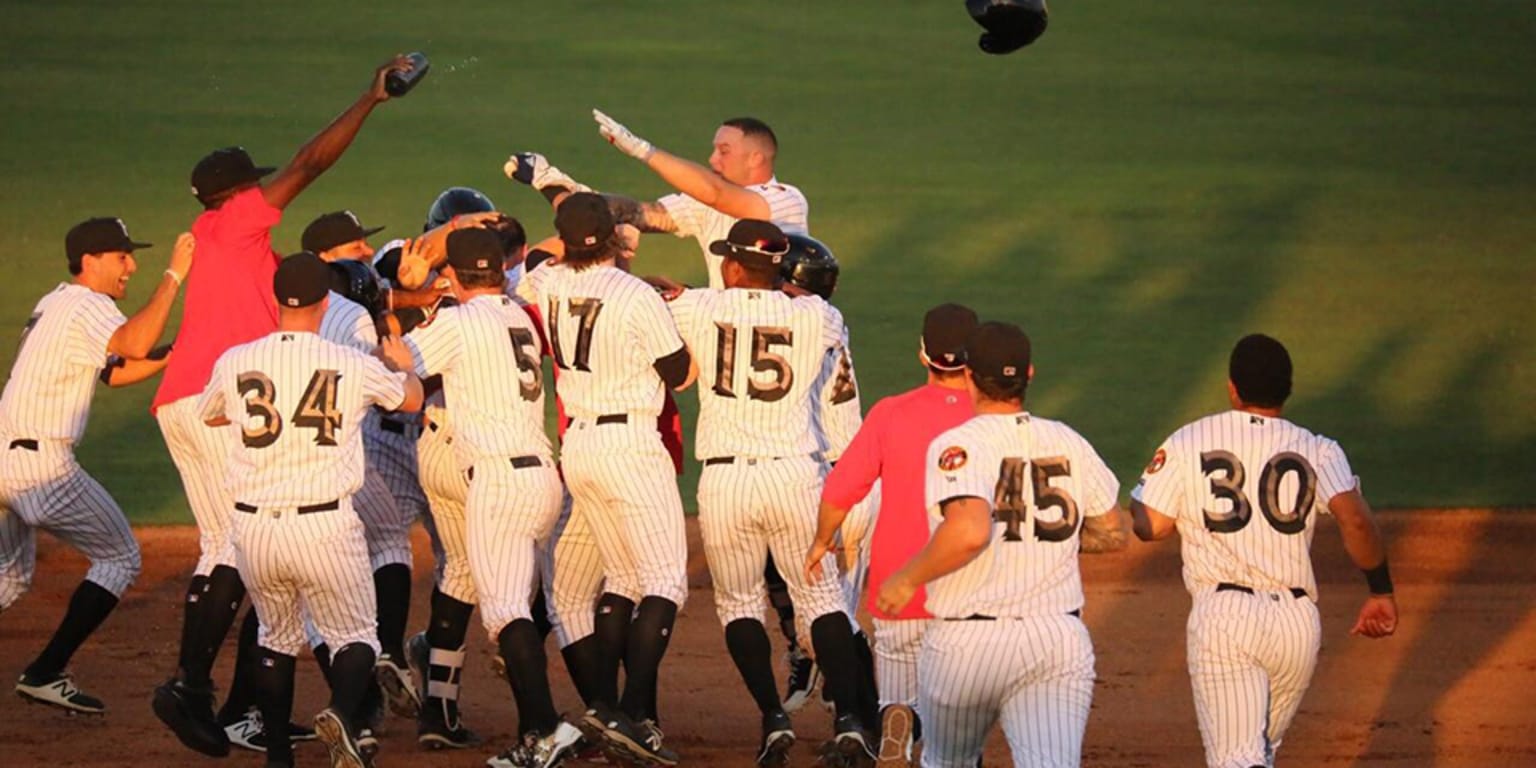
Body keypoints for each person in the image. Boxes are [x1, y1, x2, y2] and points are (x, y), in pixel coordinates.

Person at [150, 54, 418, 758]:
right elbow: (309, 163)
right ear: (240, 194)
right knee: (227, 546)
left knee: (243, 549)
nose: (273, 192)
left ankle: (230, 703)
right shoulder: (240, 222)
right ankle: (188, 685)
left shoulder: (214, 238)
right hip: (209, 397)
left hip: (197, 395)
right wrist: (370, 99)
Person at [1129, 333, 1399, 768]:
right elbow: (1356, 520)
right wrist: (1381, 591)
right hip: (1296, 626)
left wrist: (1137, 501)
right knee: (1259, 753)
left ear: (1232, 387)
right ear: (1288, 389)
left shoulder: (1189, 439)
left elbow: (1153, 526)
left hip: (1226, 621)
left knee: (1238, 758)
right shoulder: (1320, 449)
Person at [198, 252, 423, 768]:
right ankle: (343, 713)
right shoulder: (350, 363)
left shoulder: (236, 360)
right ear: (326, 303)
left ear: (277, 302)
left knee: (275, 640)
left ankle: (278, 756)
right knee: (358, 638)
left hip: (253, 527)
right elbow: (409, 401)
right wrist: (402, 368)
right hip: (324, 525)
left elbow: (211, 415)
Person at [666, 220, 878, 766]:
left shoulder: (698, 307)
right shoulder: (819, 316)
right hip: (796, 476)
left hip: (726, 481)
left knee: (739, 604)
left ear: (735, 266)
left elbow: (654, 306)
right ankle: (853, 720)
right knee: (824, 601)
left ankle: (772, 717)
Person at [874, 322, 1127, 768]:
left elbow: (970, 531)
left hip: (967, 644)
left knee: (948, 762)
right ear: (1028, 375)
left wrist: (906, 577)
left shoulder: (958, 444)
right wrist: (1039, 541)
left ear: (970, 376)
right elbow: (1111, 531)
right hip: (1054, 641)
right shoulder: (1069, 440)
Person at [515, 193, 693, 766]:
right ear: (616, 239)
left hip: (580, 446)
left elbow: (532, 274)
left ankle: (606, 706)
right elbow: (680, 376)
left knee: (622, 577)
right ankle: (632, 714)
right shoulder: (637, 295)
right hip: (631, 444)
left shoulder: (547, 282)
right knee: (666, 582)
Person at [387, 228, 566, 768]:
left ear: (454, 275)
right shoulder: (518, 315)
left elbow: (404, 366)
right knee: (517, 602)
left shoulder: (457, 322)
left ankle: (544, 730)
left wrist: (394, 312)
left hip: (495, 479)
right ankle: (541, 729)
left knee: (505, 609)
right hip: (543, 476)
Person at [1, 219, 191, 714]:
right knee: (120, 557)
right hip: (41, 468)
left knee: (10, 578)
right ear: (90, 261)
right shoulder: (89, 304)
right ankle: (45, 672)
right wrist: (174, 276)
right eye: (122, 256)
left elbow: (115, 371)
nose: (131, 265)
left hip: (6, 459)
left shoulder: (58, 302)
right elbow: (130, 342)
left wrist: (174, 354)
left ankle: (45, 673)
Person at [806, 304, 981, 765]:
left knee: (899, 690)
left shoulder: (890, 414)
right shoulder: (992, 424)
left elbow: (842, 489)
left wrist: (823, 540)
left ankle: (900, 719)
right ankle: (926, 728)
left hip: (897, 588)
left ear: (924, 355)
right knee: (962, 722)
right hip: (971, 588)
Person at [305, 209, 421, 722]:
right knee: (390, 534)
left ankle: (358, 709)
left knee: (305, 604)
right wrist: (400, 370)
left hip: (274, 478)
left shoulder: (290, 314)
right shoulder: (353, 319)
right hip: (341, 460)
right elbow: (391, 395)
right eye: (354, 248)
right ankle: (390, 652)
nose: (364, 255)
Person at [505, 111, 808, 289]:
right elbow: (633, 213)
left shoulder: (786, 202)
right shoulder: (704, 204)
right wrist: (552, 182)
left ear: (756, 157)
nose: (712, 159)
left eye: (724, 151)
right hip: (725, 334)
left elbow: (716, 193)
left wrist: (642, 150)